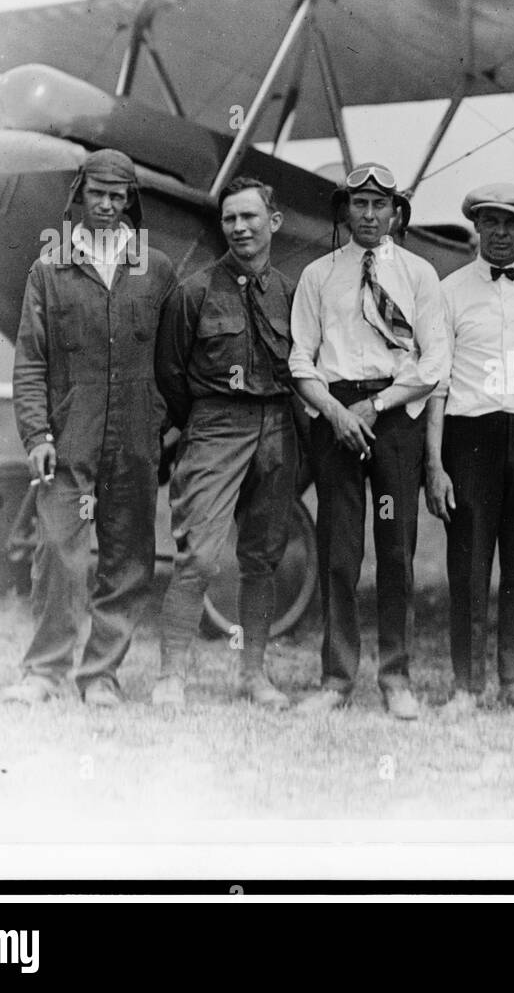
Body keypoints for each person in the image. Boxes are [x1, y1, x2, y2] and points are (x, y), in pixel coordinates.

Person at [2, 148, 175, 708]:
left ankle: (102, 673)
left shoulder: (158, 269)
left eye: (117, 194)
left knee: (128, 559)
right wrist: (36, 436)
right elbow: (29, 361)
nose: (106, 203)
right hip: (67, 441)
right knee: (57, 551)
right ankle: (44, 672)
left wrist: (160, 425)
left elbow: (175, 362)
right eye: (97, 192)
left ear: (131, 200)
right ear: (79, 194)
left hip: (133, 444)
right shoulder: (49, 270)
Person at [289, 163, 448, 720]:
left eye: (381, 205)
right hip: (335, 419)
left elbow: (433, 364)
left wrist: (375, 406)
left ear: (396, 213)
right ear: (344, 210)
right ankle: (336, 678)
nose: (370, 214)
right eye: (359, 204)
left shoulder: (420, 275)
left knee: (396, 552)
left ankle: (397, 677)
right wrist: (334, 410)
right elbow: (299, 359)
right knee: (338, 551)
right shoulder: (318, 276)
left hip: (394, 417)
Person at [151, 176, 299, 710]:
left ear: (273, 223)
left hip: (277, 427)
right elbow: (170, 374)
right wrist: (207, 423)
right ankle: (171, 677)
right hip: (214, 428)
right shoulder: (193, 292)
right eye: (230, 219)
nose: (239, 228)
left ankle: (253, 675)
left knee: (262, 556)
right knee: (199, 556)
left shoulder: (290, 293)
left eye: (250, 217)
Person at [425, 183, 514, 719]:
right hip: (468, 436)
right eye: (490, 223)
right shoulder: (447, 291)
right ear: (476, 228)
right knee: (469, 563)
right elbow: (435, 382)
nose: (500, 234)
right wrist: (434, 464)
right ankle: (467, 685)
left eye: (511, 224)